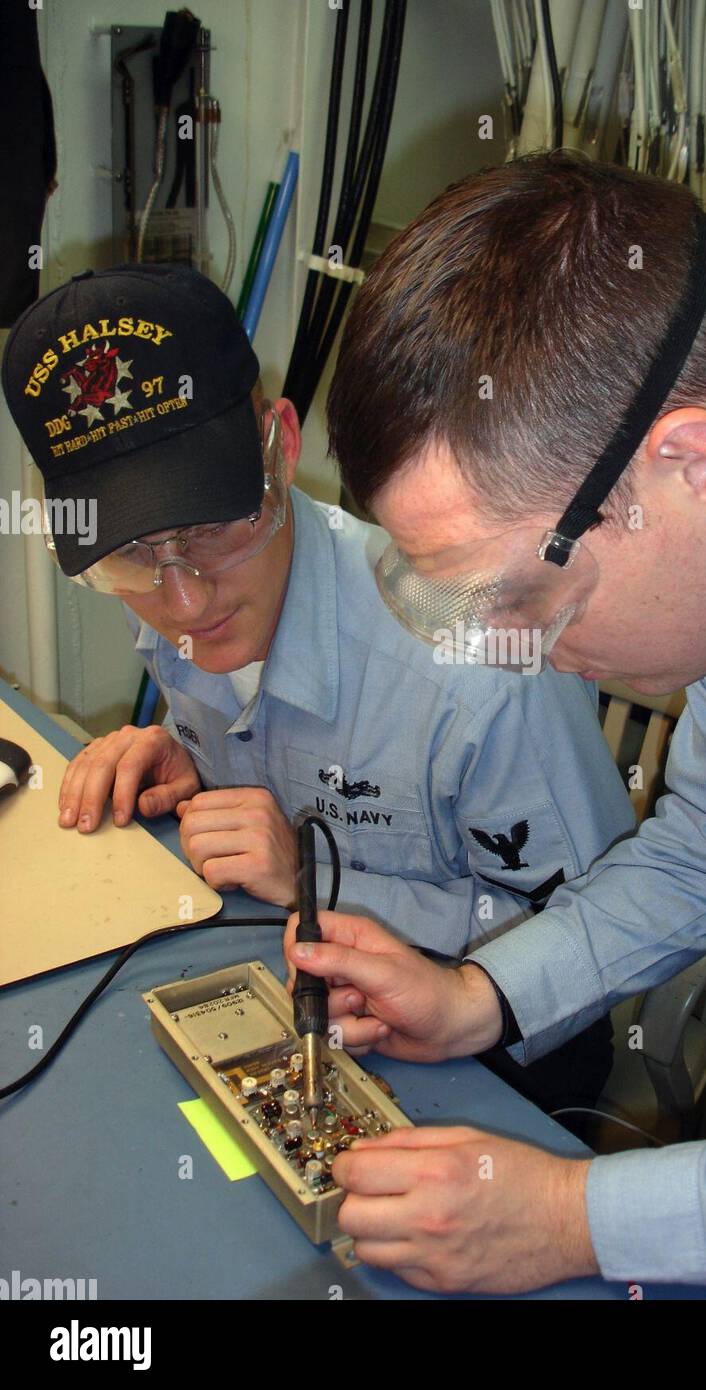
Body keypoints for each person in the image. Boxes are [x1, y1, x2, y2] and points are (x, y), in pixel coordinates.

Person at [278, 151, 706, 1295]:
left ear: (689, 464)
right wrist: (483, 995)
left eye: (518, 599)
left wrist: (570, 1216)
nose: (516, 650)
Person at [0, 261, 636, 1115]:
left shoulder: (480, 665)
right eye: (131, 555)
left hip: (500, 1056)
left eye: (209, 527)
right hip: (280, 978)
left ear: (282, 446)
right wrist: (191, 759)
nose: (183, 599)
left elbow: (594, 940)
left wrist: (314, 880)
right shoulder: (172, 585)